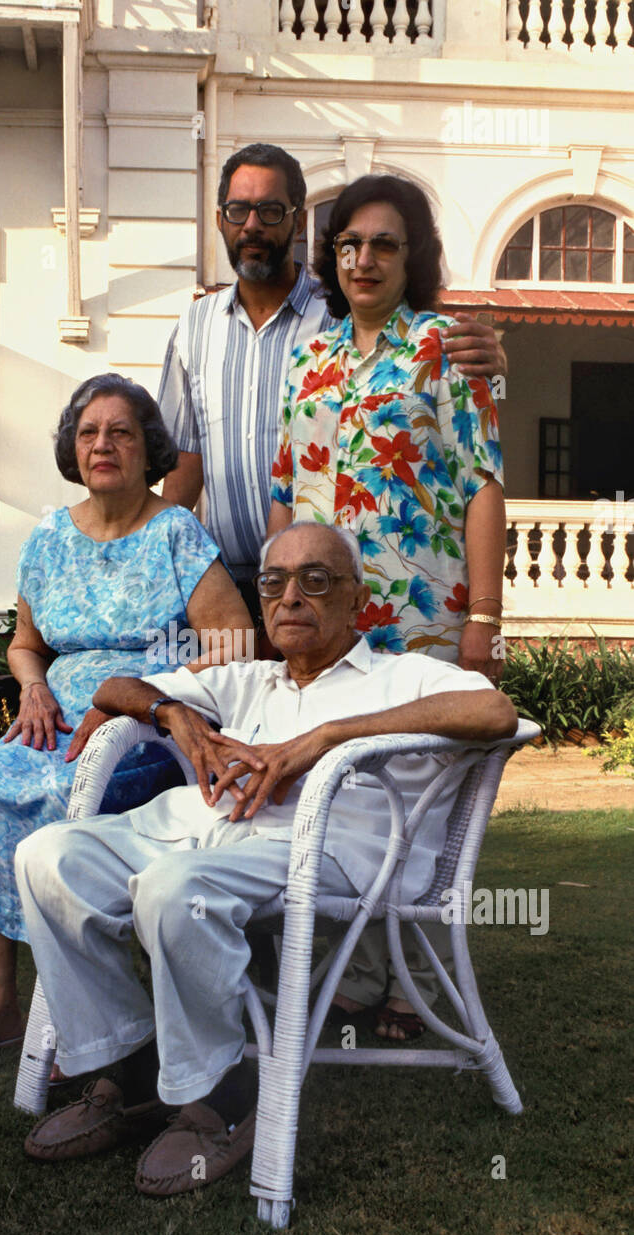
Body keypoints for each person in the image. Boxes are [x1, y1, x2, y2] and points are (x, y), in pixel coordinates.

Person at [14, 522, 517, 1196]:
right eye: (273, 583)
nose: (289, 598)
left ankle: (225, 1095)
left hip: (324, 849)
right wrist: (172, 713)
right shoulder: (243, 680)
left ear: (353, 600)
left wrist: (328, 736)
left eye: (314, 580)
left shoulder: (397, 674)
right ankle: (132, 1064)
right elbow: (112, 687)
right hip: (196, 832)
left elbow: (493, 710)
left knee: (173, 889)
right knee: (46, 855)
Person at [0, 374, 253, 1066]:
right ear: (72, 450)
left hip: (137, 728)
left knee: (62, 802)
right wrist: (31, 690)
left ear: (149, 450)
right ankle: (4, 1001)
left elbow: (233, 646)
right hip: (52, 724)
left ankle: (85, 1007)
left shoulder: (175, 532)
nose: (102, 444)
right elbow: (26, 644)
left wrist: (151, 696)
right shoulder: (50, 536)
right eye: (88, 432)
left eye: (120, 432)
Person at [266, 173, 507, 1039]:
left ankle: (404, 986)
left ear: (413, 258)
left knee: (418, 797)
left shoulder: (446, 346)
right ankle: (356, 975)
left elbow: (481, 482)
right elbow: (286, 492)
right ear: (330, 258)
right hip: (329, 621)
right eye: (347, 245)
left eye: (383, 245)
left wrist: (484, 617)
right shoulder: (307, 356)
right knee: (337, 796)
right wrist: (281, 596)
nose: (363, 259)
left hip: (420, 615)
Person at [157, 143, 505, 609]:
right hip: (234, 587)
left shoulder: (344, 311)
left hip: (379, 600)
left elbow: (474, 469)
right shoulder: (203, 330)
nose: (253, 225)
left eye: (271, 210)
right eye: (239, 210)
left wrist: (496, 362)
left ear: (300, 222)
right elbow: (186, 466)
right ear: (221, 218)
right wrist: (169, 586)